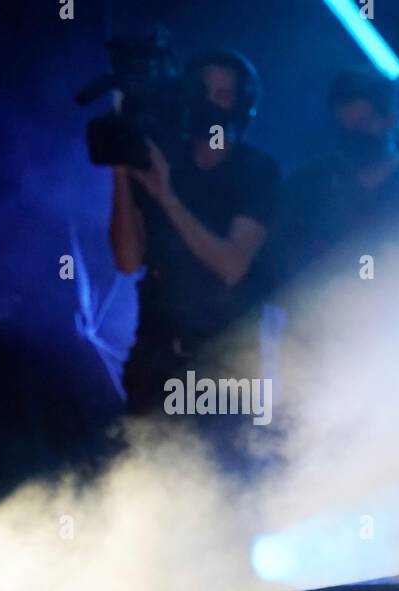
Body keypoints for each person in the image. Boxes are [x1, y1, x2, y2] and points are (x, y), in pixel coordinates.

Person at [110, 48, 280, 415]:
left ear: (242, 106)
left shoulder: (256, 170)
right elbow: (127, 261)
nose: (210, 104)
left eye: (223, 95)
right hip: (156, 358)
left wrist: (167, 198)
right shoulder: (164, 160)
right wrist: (122, 167)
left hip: (228, 366)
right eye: (202, 92)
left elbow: (232, 266)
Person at [274, 67, 399, 286]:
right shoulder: (309, 185)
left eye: (361, 124)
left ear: (390, 120)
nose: (353, 136)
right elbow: (284, 255)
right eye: (344, 127)